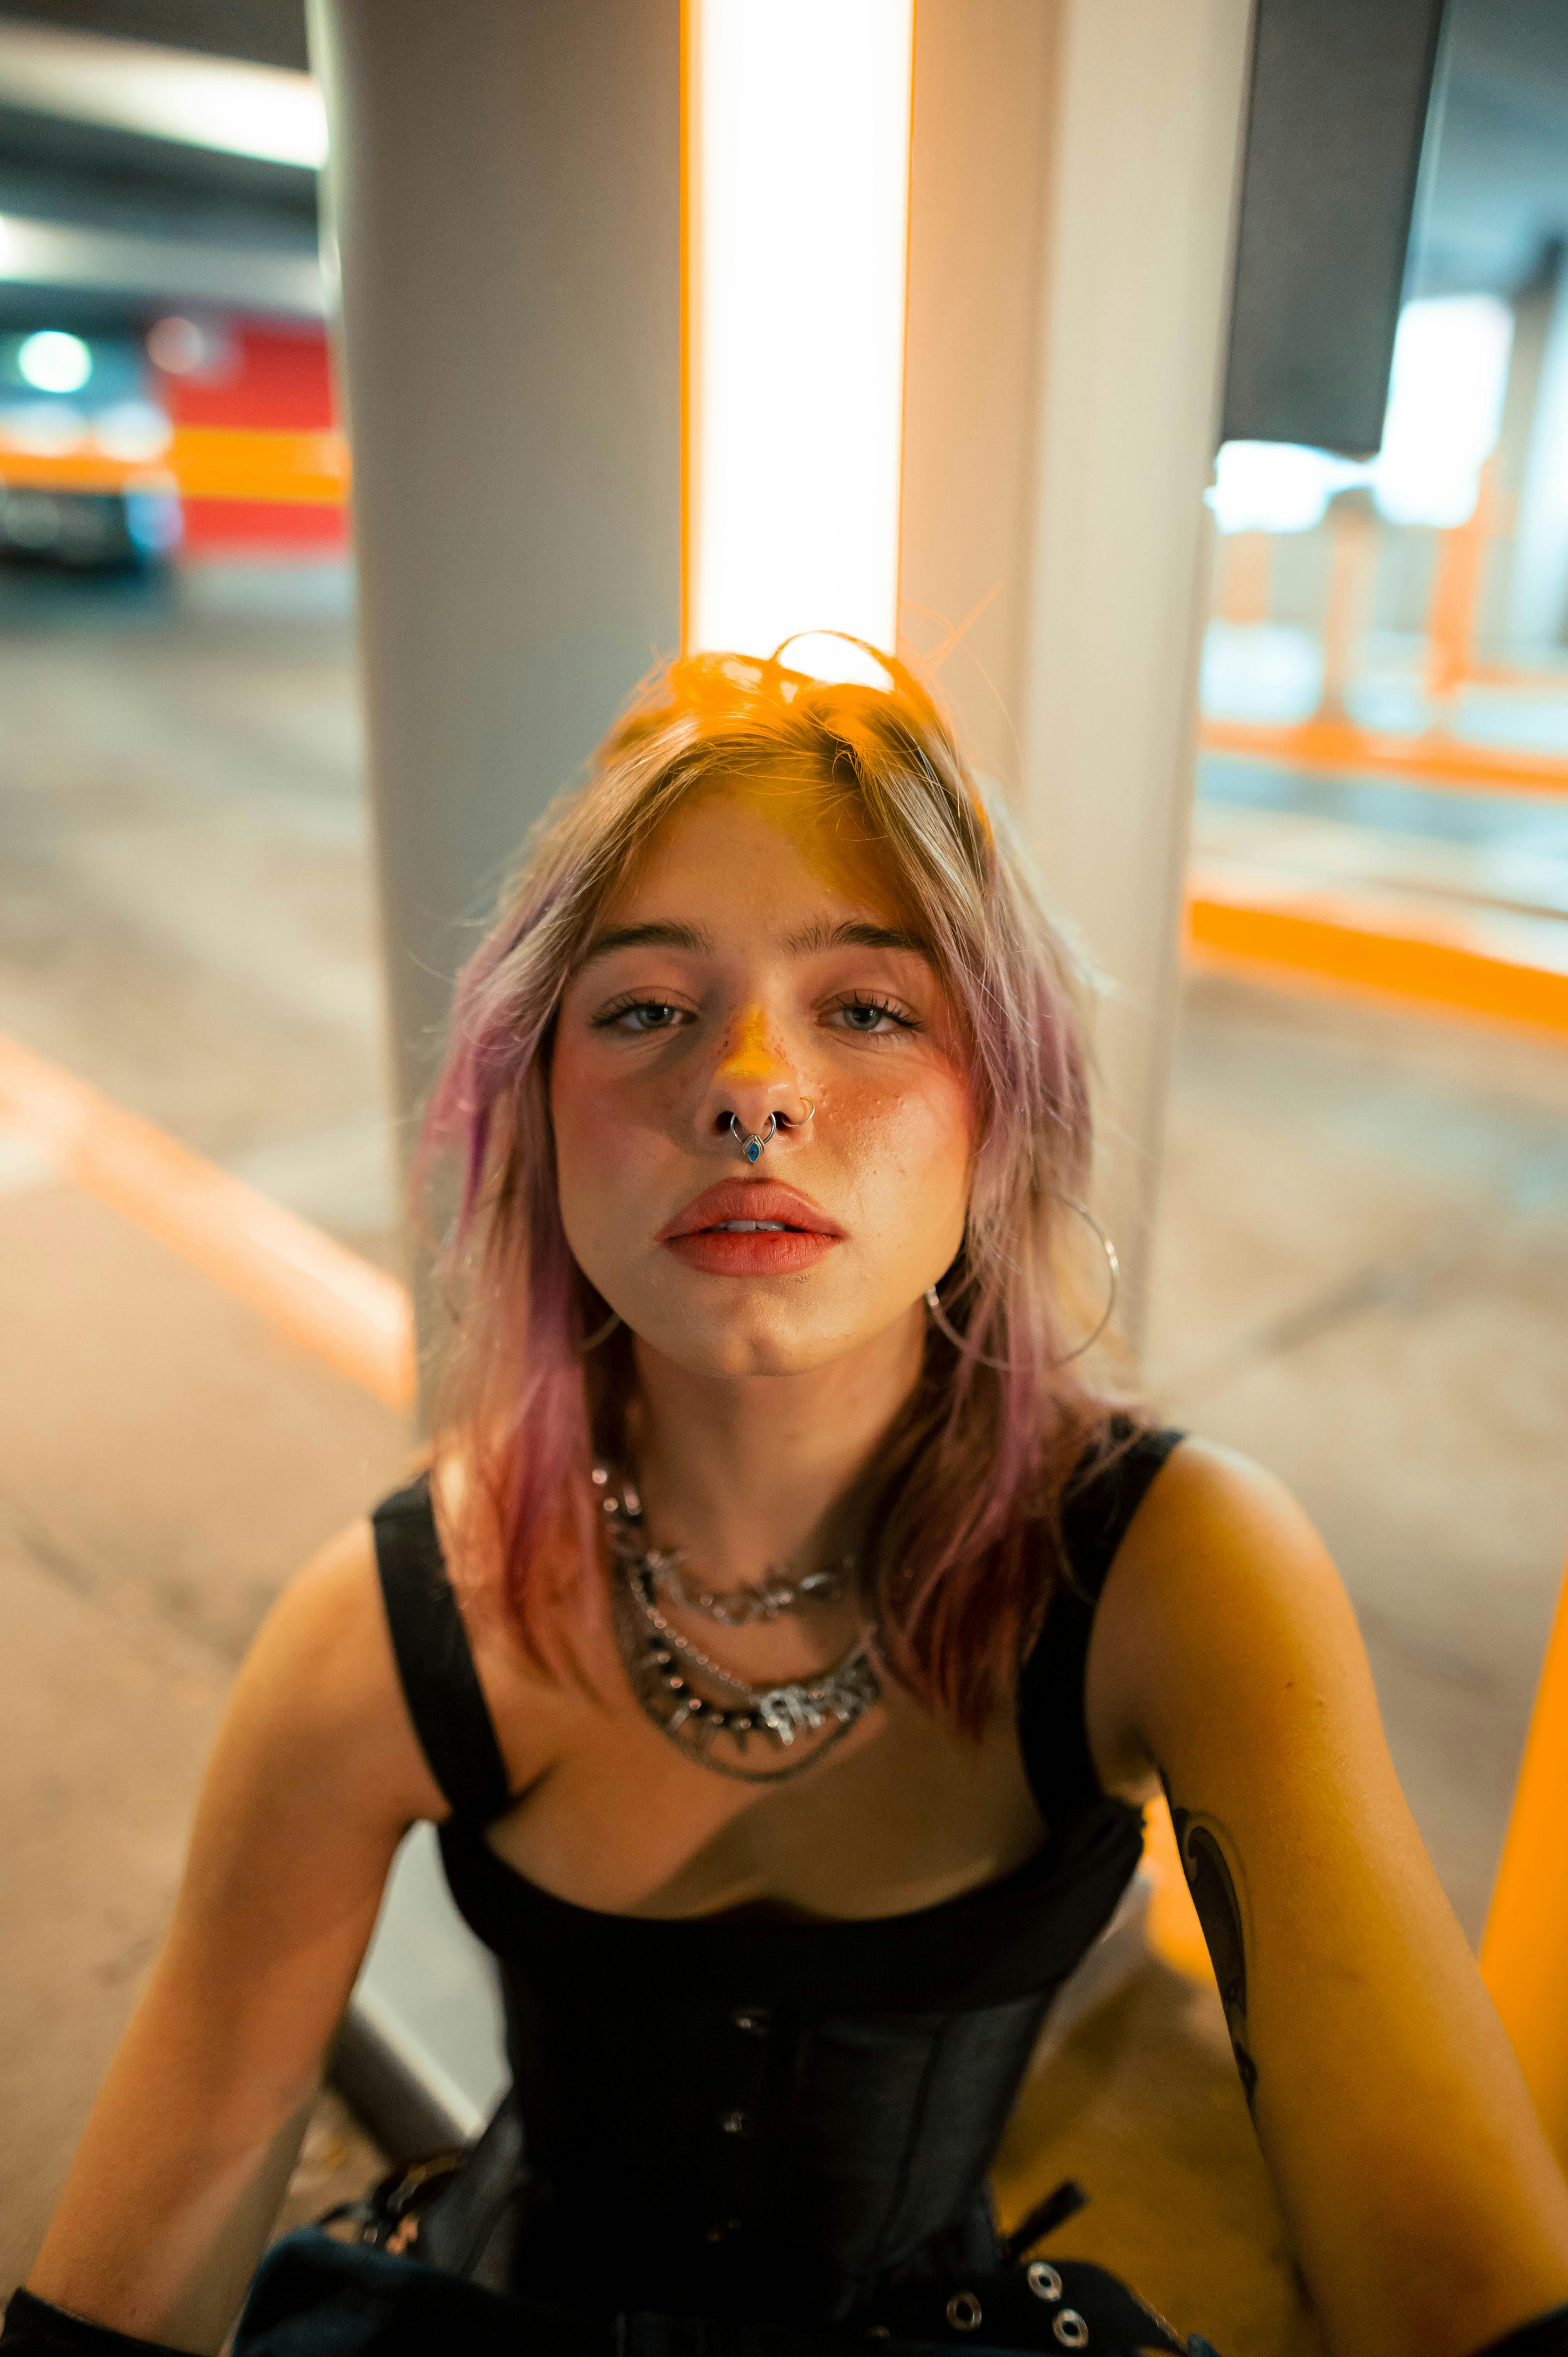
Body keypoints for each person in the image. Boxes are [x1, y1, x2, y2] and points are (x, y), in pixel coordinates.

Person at [9, 646, 1568, 2357]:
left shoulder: (1178, 1571)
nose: (751, 1084)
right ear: (538, 1118)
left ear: (1001, 1113)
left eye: (869, 1009)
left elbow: (1455, 2277)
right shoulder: (395, 1620)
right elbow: (133, 2274)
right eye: (644, 1010)